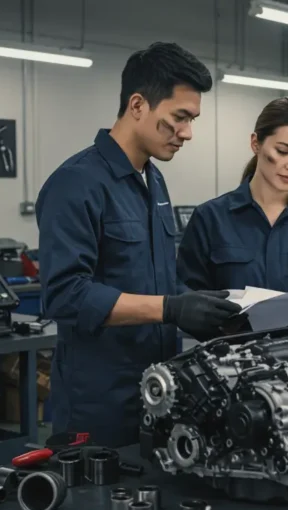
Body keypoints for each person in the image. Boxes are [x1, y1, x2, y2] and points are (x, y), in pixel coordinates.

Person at [36, 42, 241, 447]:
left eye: (192, 119)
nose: (187, 133)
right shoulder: (76, 184)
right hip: (98, 404)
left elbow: (152, 277)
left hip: (158, 389)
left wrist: (198, 307)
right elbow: (64, 295)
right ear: (137, 105)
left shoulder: (152, 179)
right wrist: (170, 308)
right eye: (178, 118)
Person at [177, 96, 288, 324]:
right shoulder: (210, 218)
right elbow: (187, 299)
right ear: (256, 143)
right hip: (232, 356)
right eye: (283, 151)